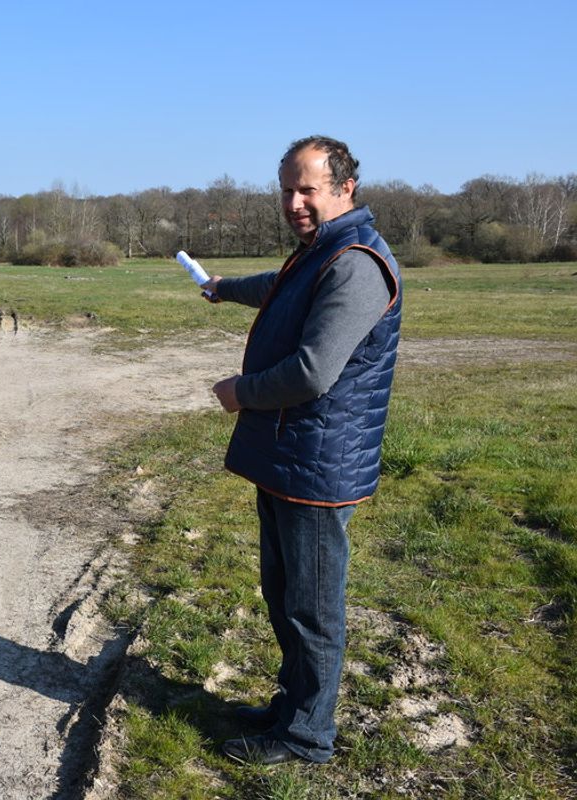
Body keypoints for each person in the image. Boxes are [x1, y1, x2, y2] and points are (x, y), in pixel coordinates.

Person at [200, 135, 402, 765]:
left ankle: (307, 735)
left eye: (307, 189)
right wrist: (224, 287)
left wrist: (242, 391)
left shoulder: (356, 263)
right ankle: (292, 706)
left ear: (345, 189)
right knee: (284, 594)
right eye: (286, 188)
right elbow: (280, 287)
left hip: (319, 465)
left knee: (313, 609)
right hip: (292, 455)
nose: (293, 202)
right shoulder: (320, 251)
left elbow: (313, 372)